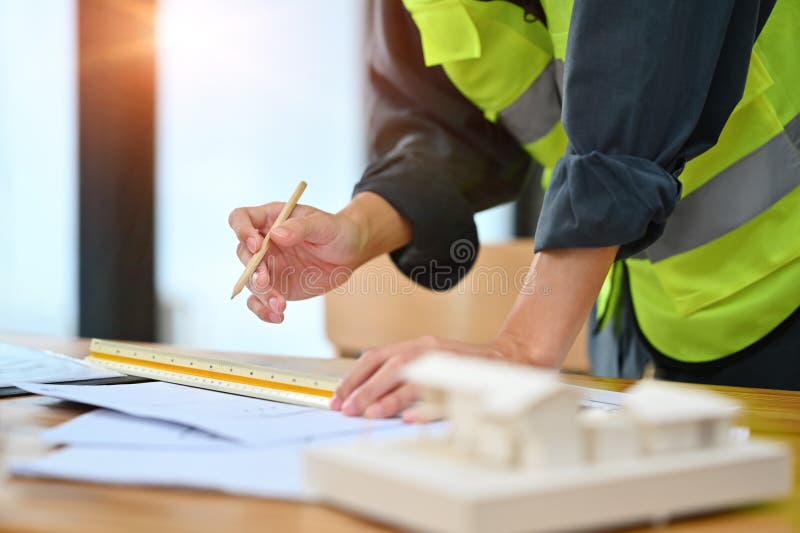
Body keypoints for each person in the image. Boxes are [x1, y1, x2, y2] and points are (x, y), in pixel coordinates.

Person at [229, 0, 799, 420]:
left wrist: (521, 350)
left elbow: (632, 95)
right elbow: (444, 130)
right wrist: (354, 231)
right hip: (644, 310)